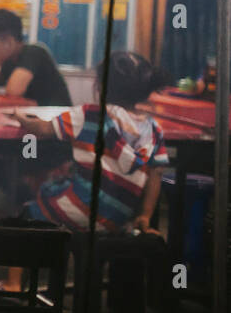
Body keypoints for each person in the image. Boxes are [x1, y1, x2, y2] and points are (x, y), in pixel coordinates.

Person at [12, 51, 170, 236]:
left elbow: (41, 129)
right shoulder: (154, 129)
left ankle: (23, 264)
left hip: (79, 211)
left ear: (101, 86)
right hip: (118, 220)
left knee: (29, 210)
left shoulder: (88, 115)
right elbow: (156, 174)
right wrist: (144, 216)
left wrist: (20, 117)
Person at [0, 8, 71, 106]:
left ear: (9, 42)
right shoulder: (10, 61)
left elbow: (13, 92)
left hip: (58, 122)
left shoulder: (34, 53)